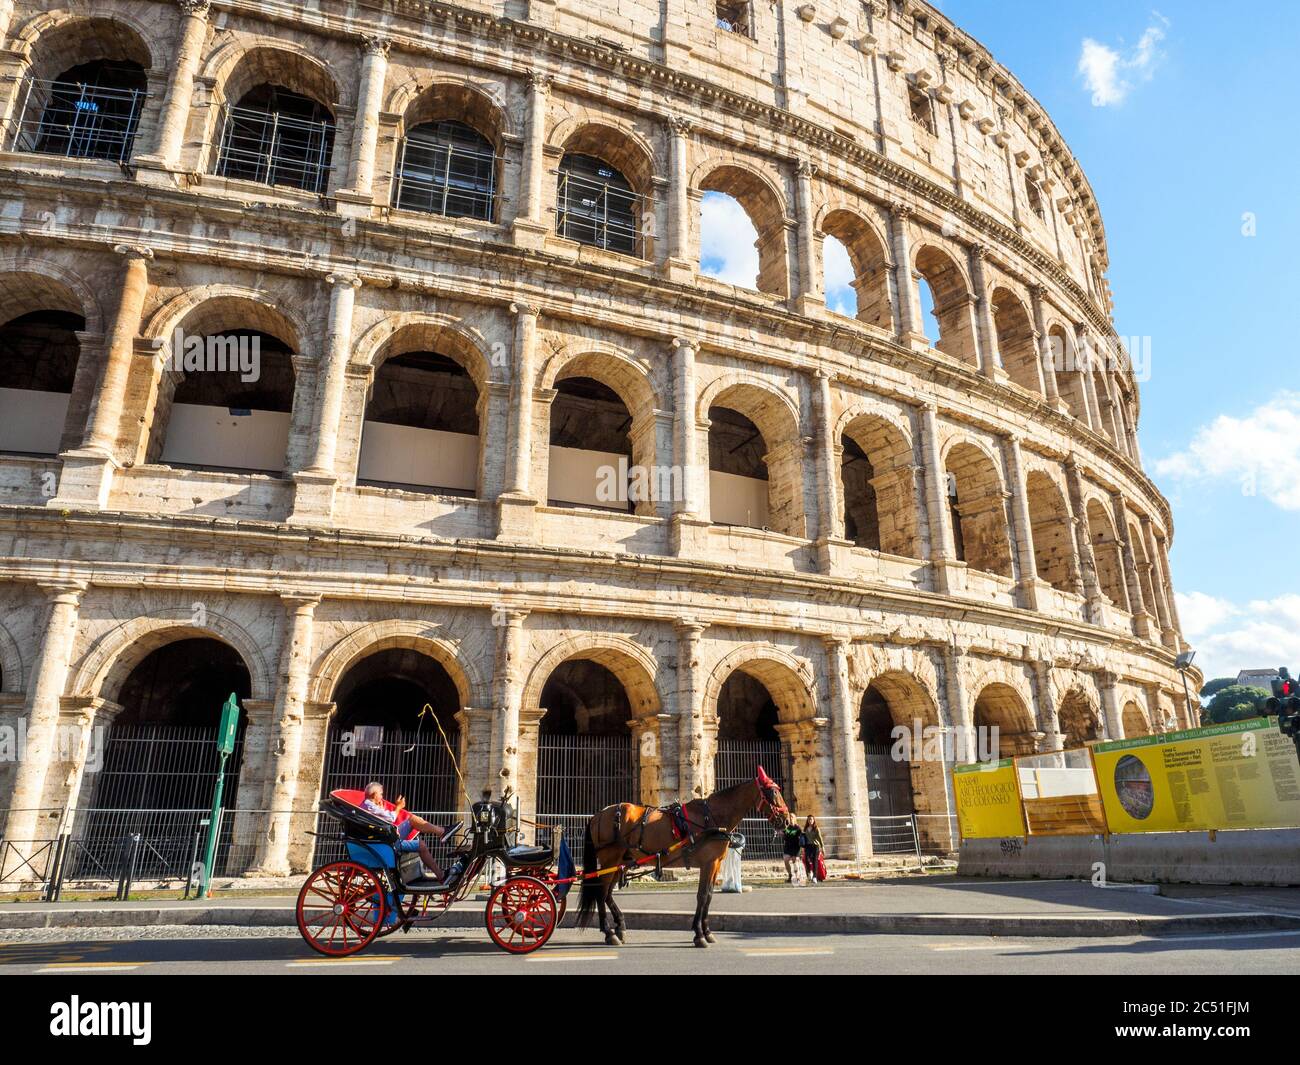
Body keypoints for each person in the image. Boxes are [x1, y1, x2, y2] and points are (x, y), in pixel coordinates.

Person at [361, 781, 452, 881]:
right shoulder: (369, 805)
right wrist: (398, 807)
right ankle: (440, 875)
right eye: (381, 794)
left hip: (386, 837)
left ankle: (441, 831)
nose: (382, 797)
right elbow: (391, 817)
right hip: (387, 842)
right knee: (421, 845)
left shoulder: (368, 805)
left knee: (414, 819)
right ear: (374, 795)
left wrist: (383, 807)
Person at [802, 815, 825, 884]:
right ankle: (809, 873)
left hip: (815, 846)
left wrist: (822, 847)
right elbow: (804, 838)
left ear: (814, 820)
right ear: (807, 821)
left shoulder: (816, 828)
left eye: (811, 819)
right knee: (806, 860)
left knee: (815, 861)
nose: (810, 821)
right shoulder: (805, 829)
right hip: (807, 846)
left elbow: (820, 838)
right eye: (809, 819)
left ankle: (815, 877)